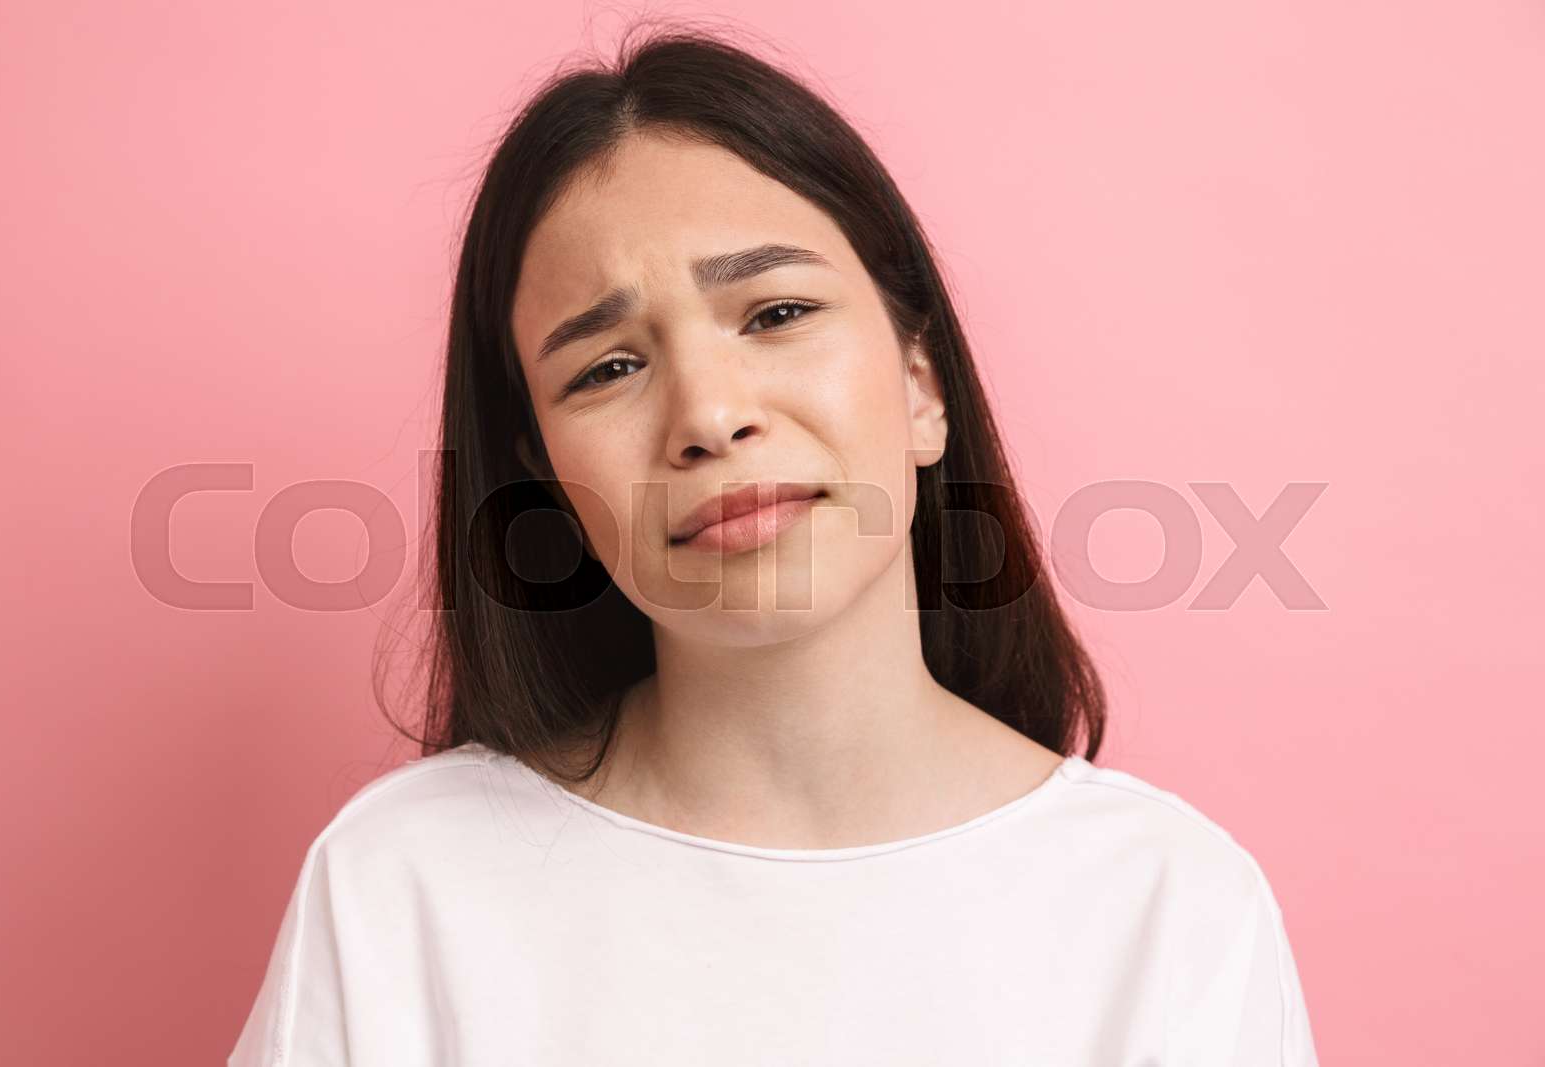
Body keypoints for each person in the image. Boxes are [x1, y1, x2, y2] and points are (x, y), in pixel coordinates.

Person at [229, 24, 1319, 1066]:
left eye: (775, 313)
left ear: (920, 381)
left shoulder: (1169, 905)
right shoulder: (401, 883)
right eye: (607, 367)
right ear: (546, 481)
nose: (709, 414)